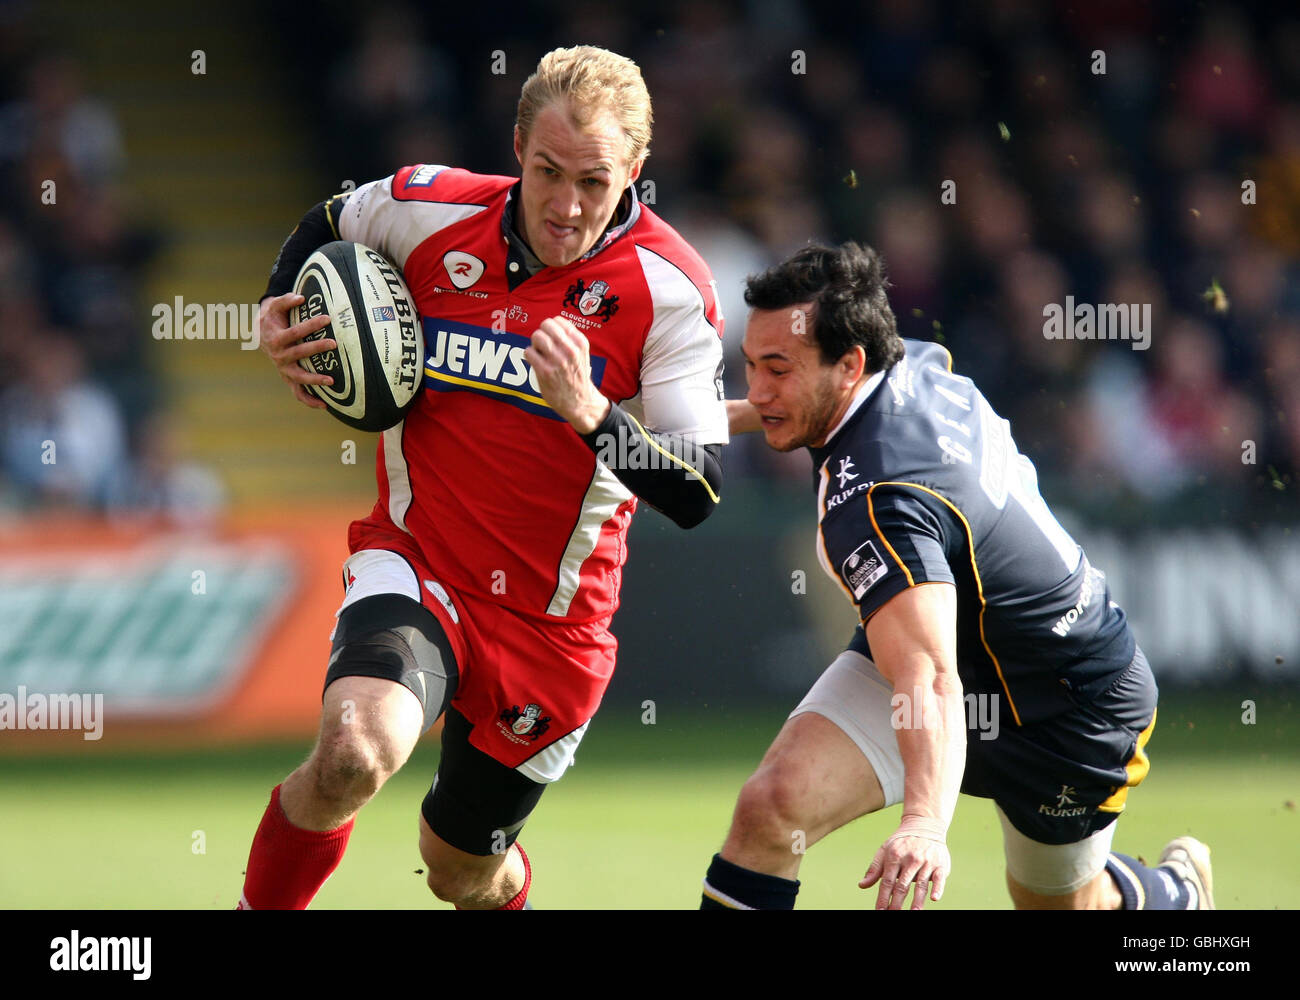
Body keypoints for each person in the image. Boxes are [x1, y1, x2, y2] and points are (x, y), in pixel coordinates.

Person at [241, 45, 727, 910]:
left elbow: (697, 492)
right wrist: (280, 310)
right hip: (417, 560)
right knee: (352, 752)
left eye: (594, 181)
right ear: (516, 147)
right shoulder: (424, 208)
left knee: (459, 870)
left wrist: (591, 414)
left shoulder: (671, 290)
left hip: (552, 625)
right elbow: (325, 223)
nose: (566, 205)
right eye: (547, 171)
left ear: (636, 174)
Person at [701, 242, 1213, 911]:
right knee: (773, 810)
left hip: (1067, 704)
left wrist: (923, 824)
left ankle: (1173, 899)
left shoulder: (881, 501)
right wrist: (680, 423)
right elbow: (928, 663)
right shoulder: (906, 356)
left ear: (849, 364)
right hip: (948, 642)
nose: (758, 391)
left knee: (1061, 904)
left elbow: (932, 679)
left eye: (777, 370)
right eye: (750, 368)